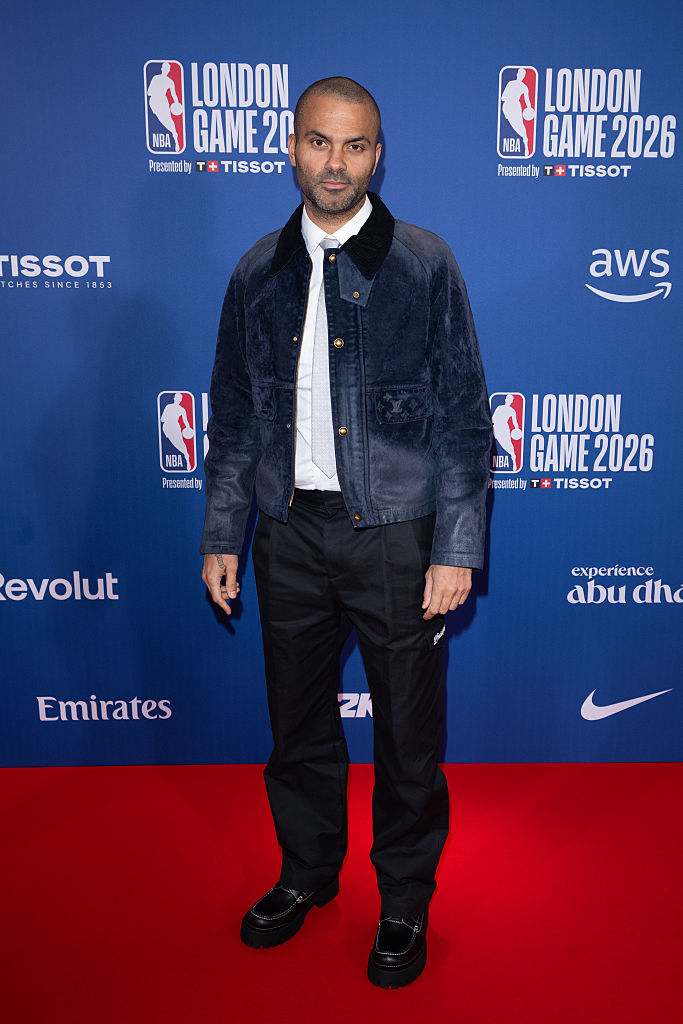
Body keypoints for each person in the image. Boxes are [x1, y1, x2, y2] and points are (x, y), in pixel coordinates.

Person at [200, 76, 492, 988]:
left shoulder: (424, 263)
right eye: (320, 143)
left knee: (408, 735)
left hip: (398, 539)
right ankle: (305, 874)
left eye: (355, 145)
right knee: (296, 726)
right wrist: (222, 534)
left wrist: (455, 546)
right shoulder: (256, 272)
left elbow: (463, 418)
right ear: (292, 148)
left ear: (377, 153)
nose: (336, 163)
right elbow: (236, 419)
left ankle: (403, 897)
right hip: (287, 535)